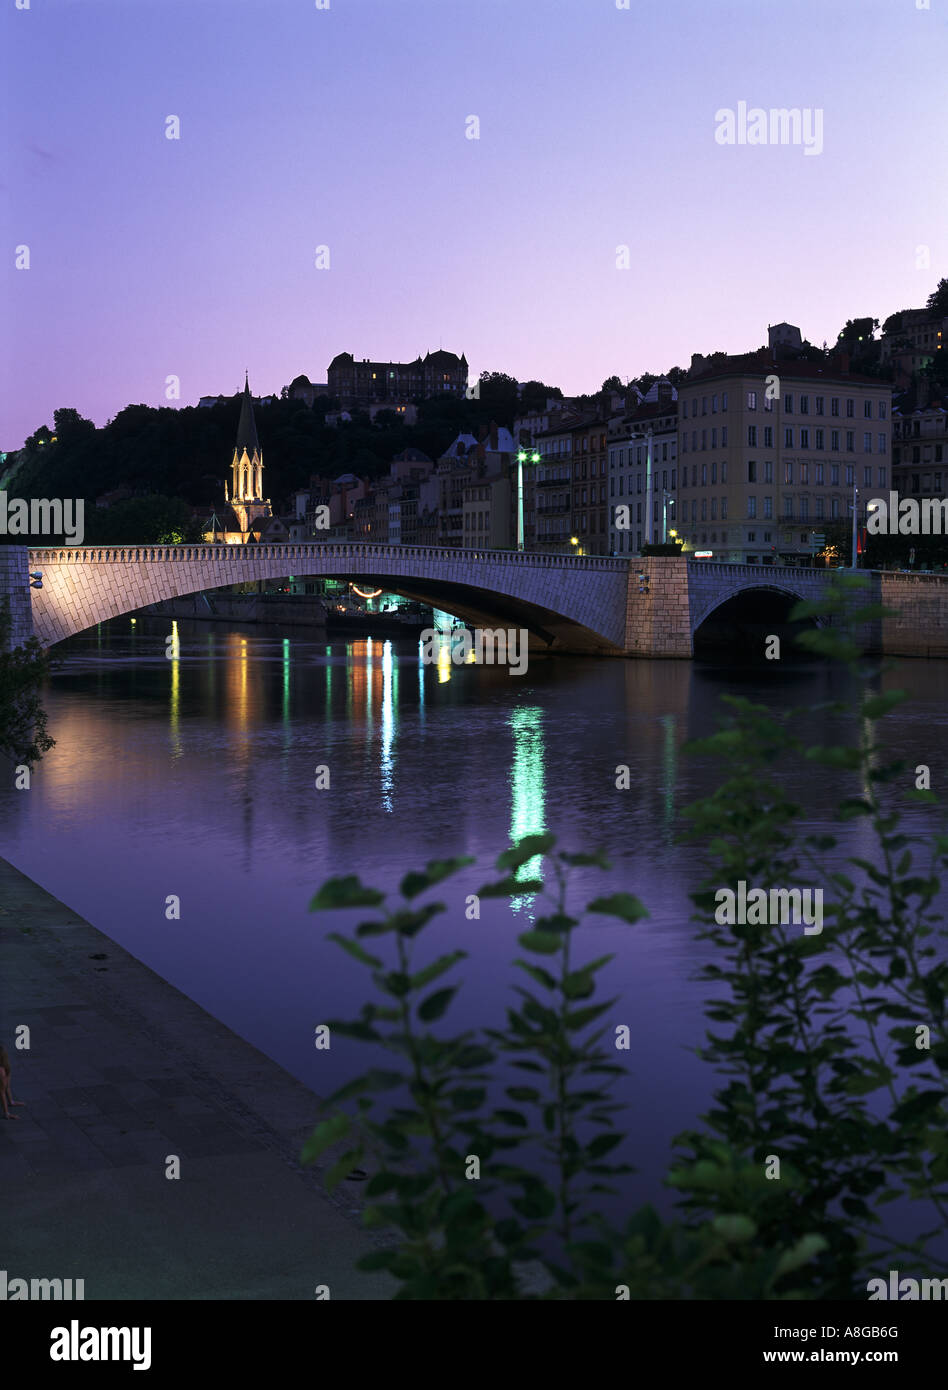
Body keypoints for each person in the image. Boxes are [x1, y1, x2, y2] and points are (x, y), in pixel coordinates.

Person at [0, 1045, 24, 1120]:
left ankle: (11, 1102)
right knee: (2, 1090)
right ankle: (6, 1113)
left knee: (7, 1086)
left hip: (5, 1063)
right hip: (2, 1066)